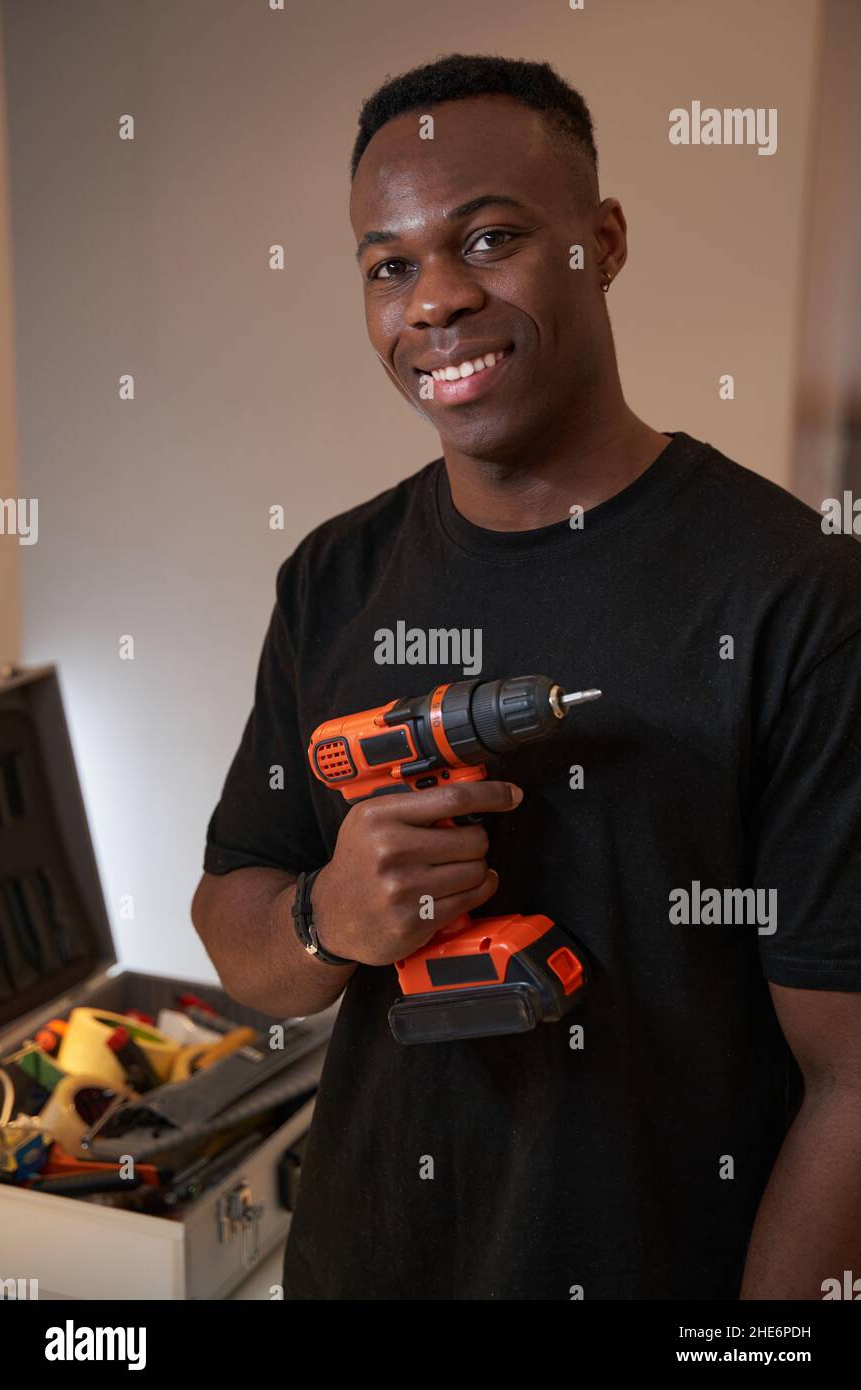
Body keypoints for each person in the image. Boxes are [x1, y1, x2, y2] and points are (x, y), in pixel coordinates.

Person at [191, 54, 861, 1300]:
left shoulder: (797, 593)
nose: (433, 301)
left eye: (487, 237)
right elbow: (237, 919)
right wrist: (327, 918)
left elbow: (852, 1080)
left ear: (599, 243)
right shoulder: (333, 576)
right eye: (388, 264)